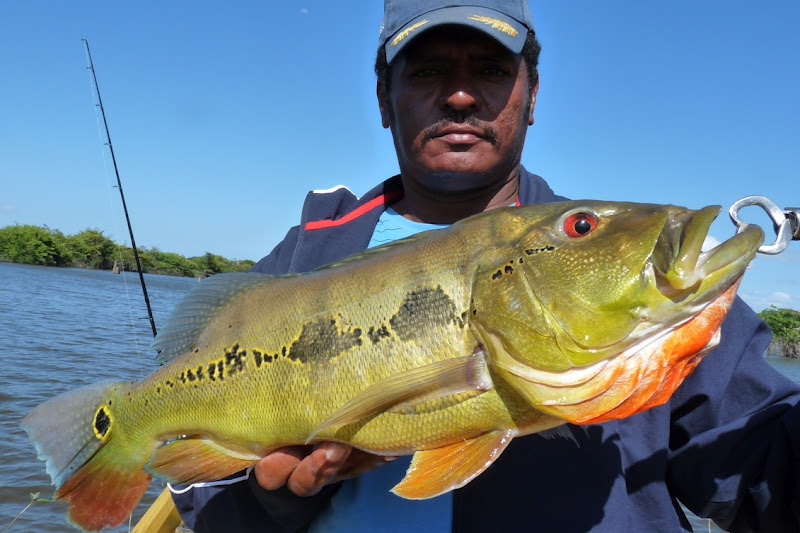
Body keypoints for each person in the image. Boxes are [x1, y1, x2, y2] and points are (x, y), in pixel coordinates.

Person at [173, 1, 800, 531]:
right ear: (385, 99)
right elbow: (199, 497)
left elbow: (769, 467)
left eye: (493, 69)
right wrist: (272, 501)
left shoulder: (648, 300)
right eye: (426, 71)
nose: (462, 95)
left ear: (531, 96)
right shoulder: (304, 258)